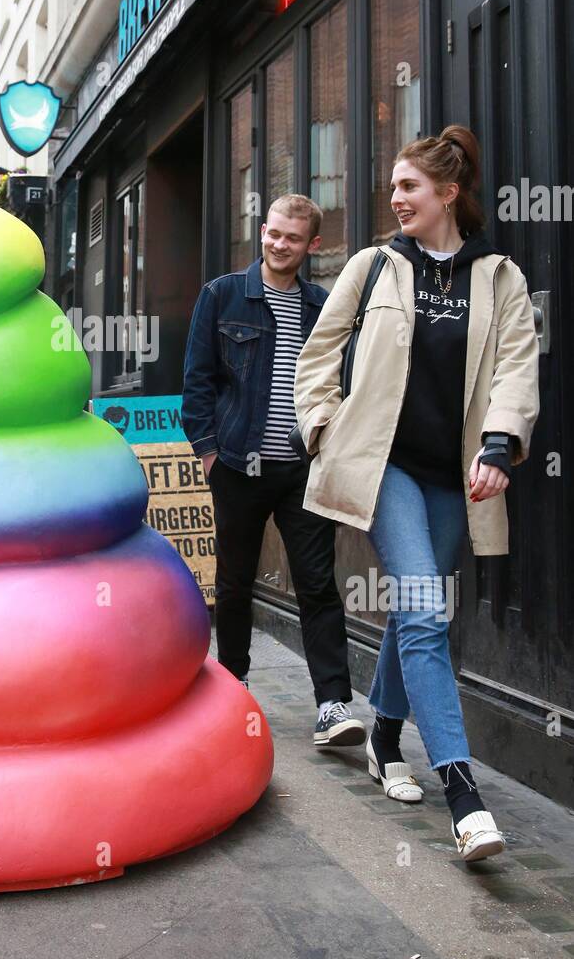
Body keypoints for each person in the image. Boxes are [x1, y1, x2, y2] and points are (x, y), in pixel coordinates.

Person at [293, 125, 539, 863]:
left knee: (413, 608)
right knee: (427, 614)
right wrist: (323, 428)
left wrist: (499, 445)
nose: (394, 199)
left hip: (454, 476)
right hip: (387, 468)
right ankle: (463, 797)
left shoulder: (499, 278)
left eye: (407, 187)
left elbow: (515, 371)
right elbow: (318, 355)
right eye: (394, 187)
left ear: (446, 194)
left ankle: (385, 735)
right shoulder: (373, 266)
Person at [182, 195, 366, 749]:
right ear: (261, 231)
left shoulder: (322, 305)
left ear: (312, 245)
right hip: (237, 465)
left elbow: (341, 381)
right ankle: (234, 684)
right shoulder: (222, 295)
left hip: (301, 470)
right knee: (235, 582)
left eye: (293, 238)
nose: (279, 245)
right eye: (273, 234)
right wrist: (209, 453)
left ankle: (333, 705)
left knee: (317, 585)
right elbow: (198, 381)